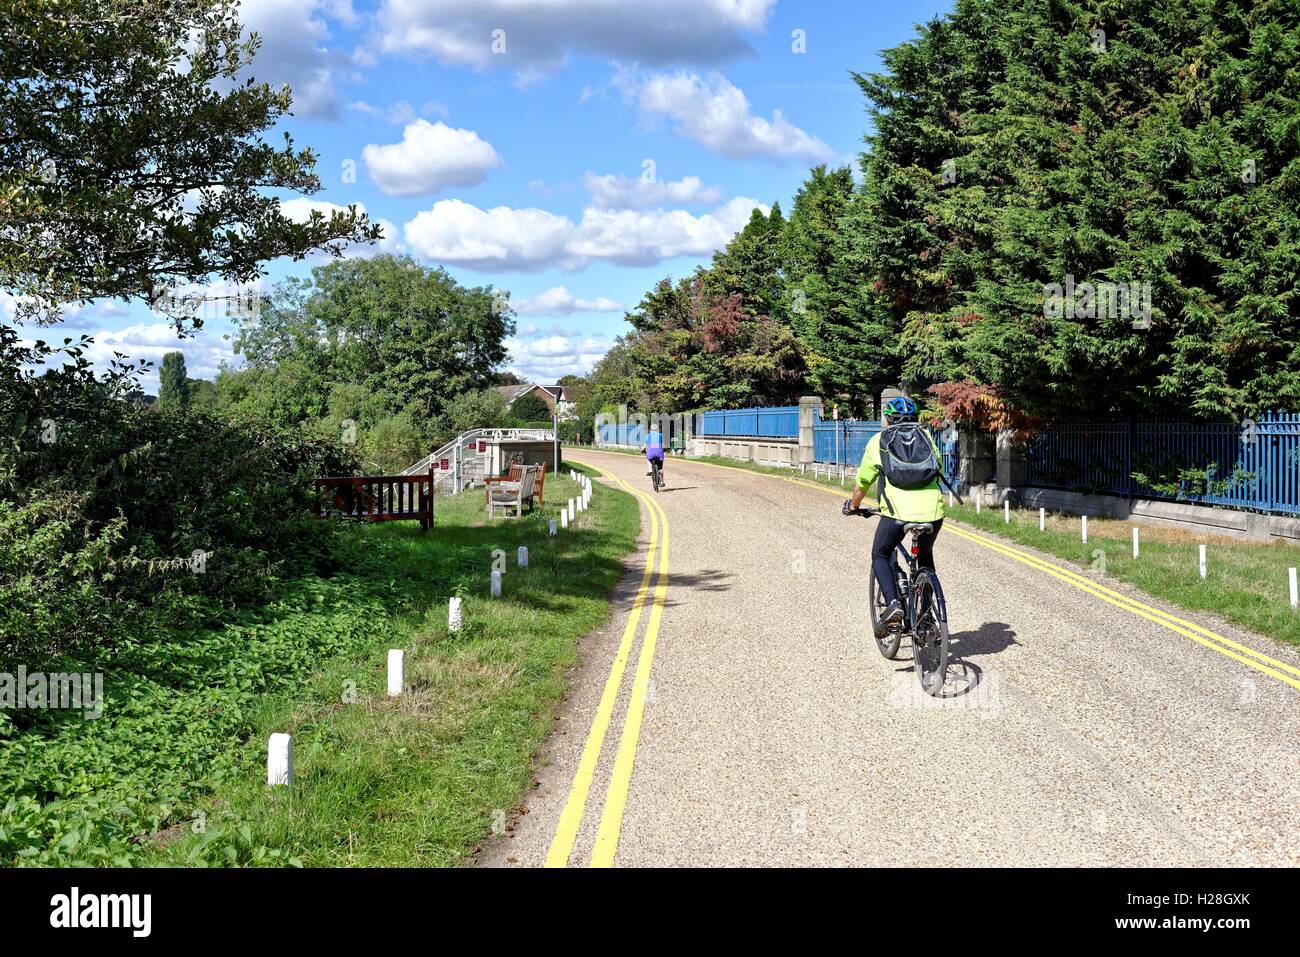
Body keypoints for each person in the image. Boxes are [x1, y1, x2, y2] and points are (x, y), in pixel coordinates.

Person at [843, 396, 945, 636]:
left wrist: (853, 505)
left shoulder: (879, 440)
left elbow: (863, 483)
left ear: (887, 419)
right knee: (925, 555)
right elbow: (938, 466)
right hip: (933, 512)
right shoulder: (926, 437)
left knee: (880, 552)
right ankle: (926, 614)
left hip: (898, 513)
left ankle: (893, 605)